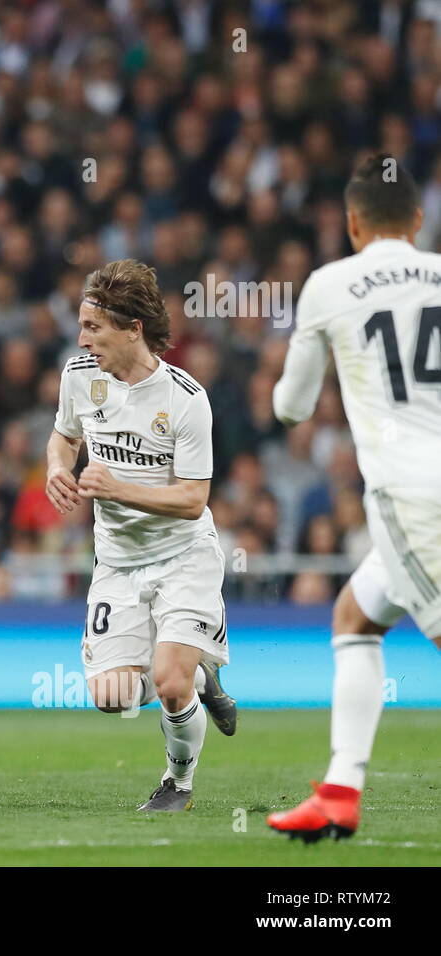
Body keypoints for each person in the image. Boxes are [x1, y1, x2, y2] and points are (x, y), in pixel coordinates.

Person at [269, 154, 441, 842]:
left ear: (352, 224)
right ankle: (341, 789)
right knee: (355, 616)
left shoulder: (330, 284)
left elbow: (291, 405)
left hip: (413, 495)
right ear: (420, 222)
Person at [45, 258, 237, 813]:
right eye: (82, 325)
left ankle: (178, 782)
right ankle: (204, 679)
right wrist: (59, 468)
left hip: (184, 556)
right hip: (118, 563)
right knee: (113, 698)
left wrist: (118, 487)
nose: (82, 338)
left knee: (168, 684)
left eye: (93, 327)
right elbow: (63, 439)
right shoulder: (80, 375)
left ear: (133, 328)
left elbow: (193, 499)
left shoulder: (184, 399)